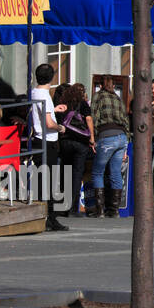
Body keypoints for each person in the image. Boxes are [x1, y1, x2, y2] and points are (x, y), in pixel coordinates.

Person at [27, 64, 68, 231]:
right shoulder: (45, 95)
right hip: (47, 141)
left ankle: (42, 217)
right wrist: (61, 127)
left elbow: (40, 114)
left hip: (38, 138)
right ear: (52, 78)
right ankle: (50, 218)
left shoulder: (35, 92)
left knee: (41, 179)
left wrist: (54, 110)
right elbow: (49, 123)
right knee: (49, 181)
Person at [90, 77, 129, 218]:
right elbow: (126, 120)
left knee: (97, 172)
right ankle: (114, 210)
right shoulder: (117, 98)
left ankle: (100, 210)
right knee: (116, 172)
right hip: (121, 137)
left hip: (106, 136)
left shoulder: (98, 96)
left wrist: (93, 139)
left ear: (100, 85)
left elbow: (94, 117)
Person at [56, 83, 94, 217]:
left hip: (65, 141)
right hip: (81, 142)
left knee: (65, 173)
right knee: (77, 175)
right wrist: (92, 138)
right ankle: (72, 209)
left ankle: (63, 207)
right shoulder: (83, 104)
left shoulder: (63, 103)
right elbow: (88, 119)